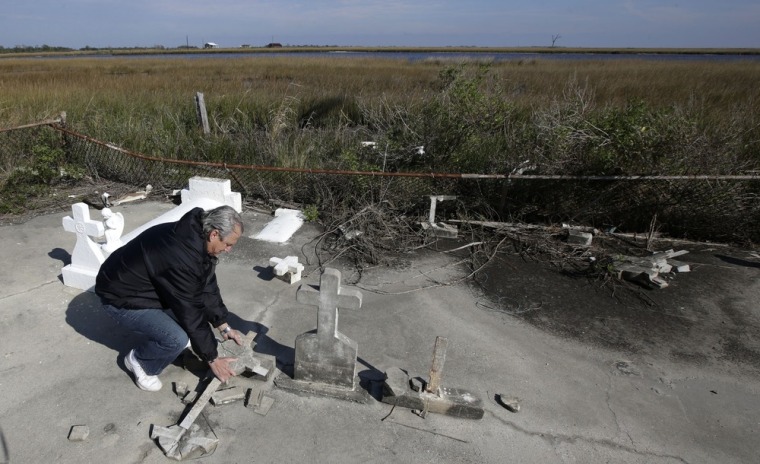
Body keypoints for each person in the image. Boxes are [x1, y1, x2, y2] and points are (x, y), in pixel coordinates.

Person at [95, 205, 245, 392]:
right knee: (176, 339)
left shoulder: (195, 238)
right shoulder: (181, 257)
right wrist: (212, 359)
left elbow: (206, 285)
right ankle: (140, 361)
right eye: (228, 244)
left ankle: (163, 338)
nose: (228, 250)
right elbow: (189, 309)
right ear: (214, 234)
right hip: (119, 297)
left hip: (139, 286)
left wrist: (223, 324)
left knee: (192, 332)